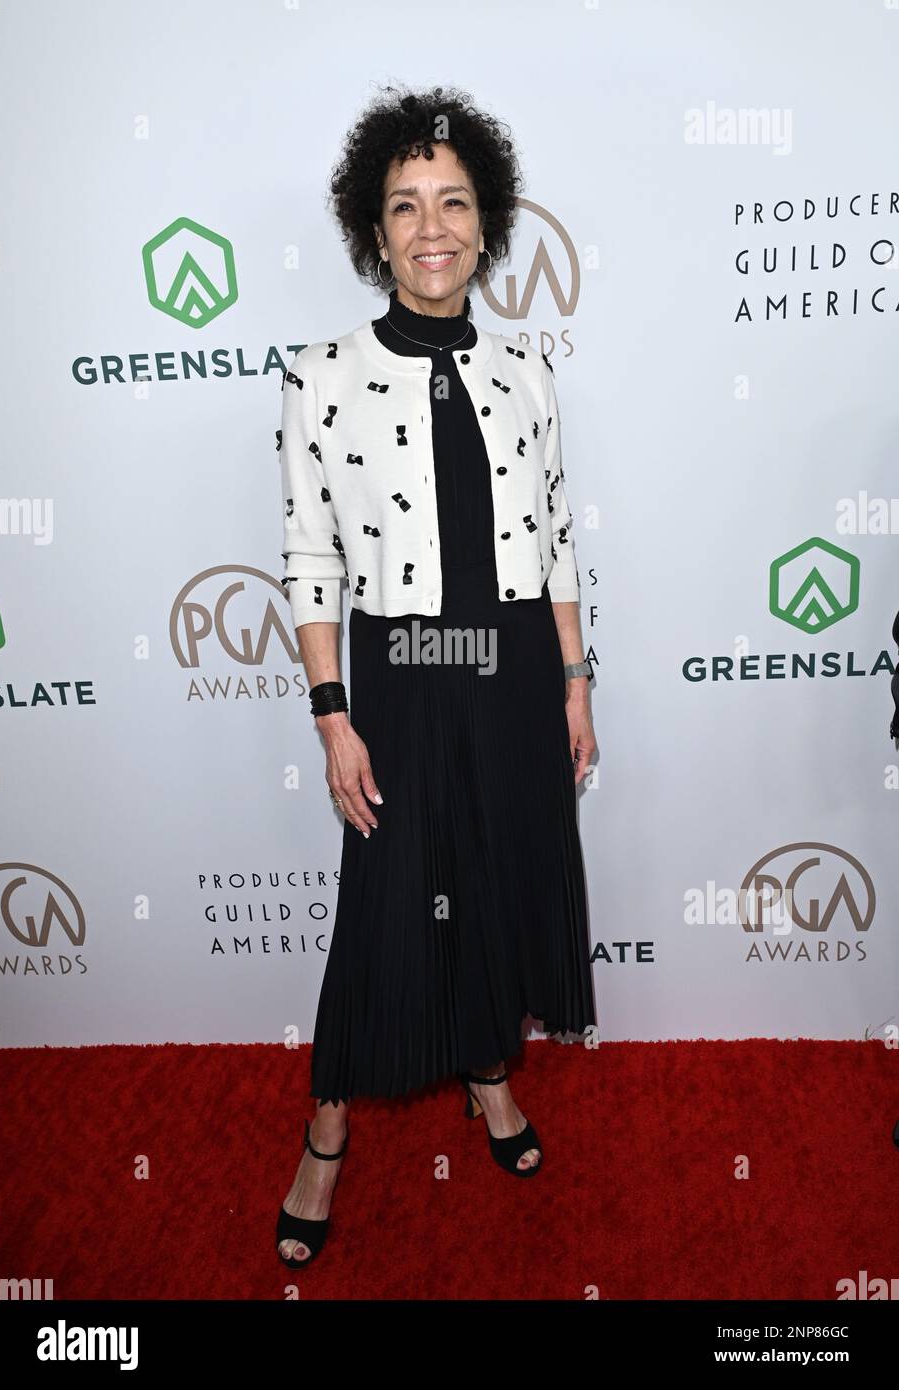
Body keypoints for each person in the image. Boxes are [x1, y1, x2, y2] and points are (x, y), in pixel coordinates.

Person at [276, 84, 598, 1267]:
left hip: (515, 666)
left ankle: (485, 1072)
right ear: (373, 229)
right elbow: (310, 555)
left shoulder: (526, 372)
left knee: (496, 879)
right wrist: (332, 716)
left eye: (454, 202)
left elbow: (558, 535)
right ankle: (326, 1124)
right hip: (404, 670)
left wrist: (574, 678)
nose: (432, 226)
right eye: (405, 204)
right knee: (387, 902)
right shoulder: (321, 374)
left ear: (486, 223)